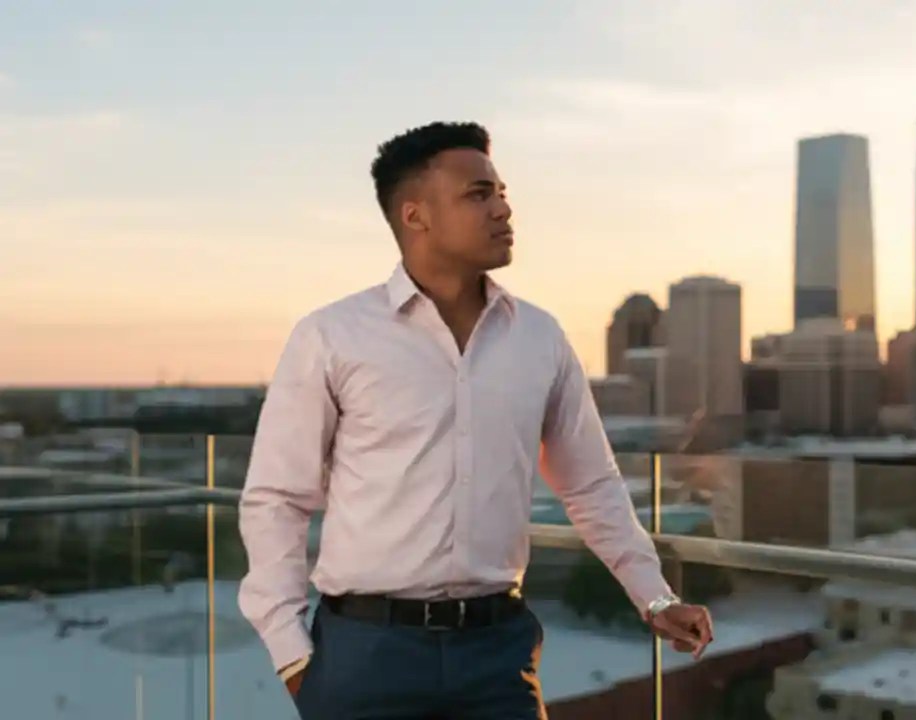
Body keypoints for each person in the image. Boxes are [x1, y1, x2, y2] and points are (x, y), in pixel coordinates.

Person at [238, 122, 713, 720]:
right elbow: (276, 498)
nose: (503, 208)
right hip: (365, 655)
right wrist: (293, 655)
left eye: (501, 191)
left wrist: (655, 597)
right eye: (478, 194)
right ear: (416, 216)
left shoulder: (540, 338)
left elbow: (592, 484)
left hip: (498, 653)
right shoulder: (332, 336)